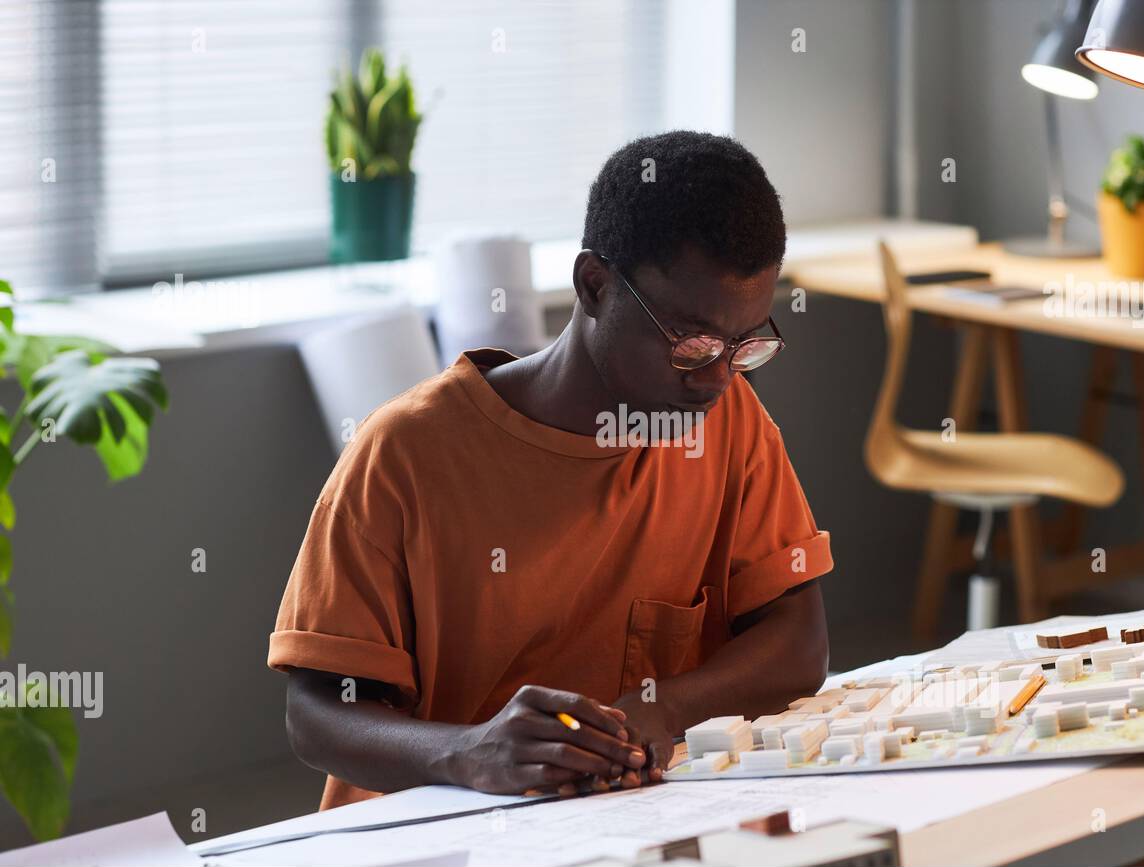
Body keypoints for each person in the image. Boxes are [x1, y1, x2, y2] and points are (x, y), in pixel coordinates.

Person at [271, 130, 833, 808]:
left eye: (744, 345)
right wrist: (468, 752)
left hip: (630, 826)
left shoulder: (726, 422)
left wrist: (664, 709)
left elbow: (798, 643)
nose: (716, 378)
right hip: (443, 833)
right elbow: (316, 715)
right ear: (594, 286)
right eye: (691, 342)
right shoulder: (405, 455)